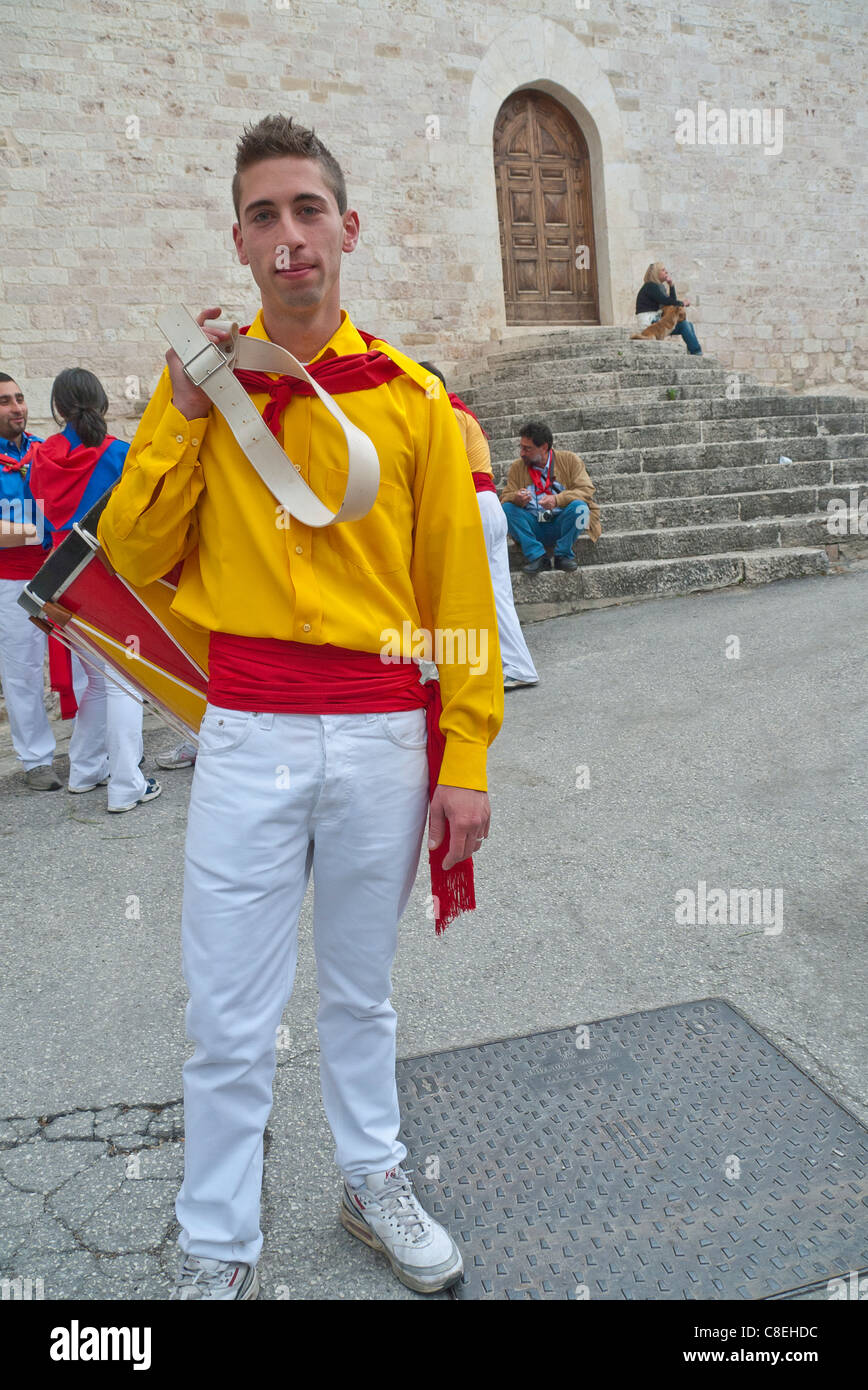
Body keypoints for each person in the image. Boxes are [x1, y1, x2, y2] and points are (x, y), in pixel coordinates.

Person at [96, 113, 502, 1300]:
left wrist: (464, 752)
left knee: (359, 992)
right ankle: (218, 1239)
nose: (290, 236)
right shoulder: (206, 398)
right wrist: (176, 404)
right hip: (253, 729)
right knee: (228, 1012)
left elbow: (458, 596)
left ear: (347, 227)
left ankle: (372, 1179)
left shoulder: (418, 403)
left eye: (307, 209)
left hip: (381, 731)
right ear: (240, 242)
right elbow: (129, 549)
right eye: (264, 216)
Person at [27, 369, 161, 813]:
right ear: (102, 403)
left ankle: (85, 770)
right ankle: (127, 784)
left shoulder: (42, 457)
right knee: (123, 682)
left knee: (101, 683)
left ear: (58, 409)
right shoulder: (121, 454)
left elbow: (44, 523)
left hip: (62, 580)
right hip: (109, 576)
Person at [419, 363, 539, 692]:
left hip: (473, 504)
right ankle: (517, 666)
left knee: (457, 591)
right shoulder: (456, 411)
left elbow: (446, 466)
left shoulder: (451, 416)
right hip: (484, 505)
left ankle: (450, 670)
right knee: (496, 593)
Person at [0, 372, 61, 788]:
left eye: (20, 397)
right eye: (5, 401)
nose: (18, 407)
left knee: (81, 666)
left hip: (58, 575)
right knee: (22, 673)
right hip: (12, 580)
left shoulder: (46, 451)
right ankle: (36, 760)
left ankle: (95, 749)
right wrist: (42, 530)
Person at [500, 421, 602, 575]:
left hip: (561, 523)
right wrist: (516, 498)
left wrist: (557, 500)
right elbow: (505, 497)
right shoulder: (517, 467)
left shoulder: (569, 460)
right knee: (506, 509)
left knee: (581, 508)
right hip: (534, 524)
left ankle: (563, 555)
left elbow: (586, 490)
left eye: (527, 449)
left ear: (544, 447)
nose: (522, 453)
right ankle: (538, 556)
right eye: (521, 447)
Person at [634, 262, 702, 354]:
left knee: (688, 325)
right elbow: (667, 301)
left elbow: (671, 304)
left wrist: (671, 286)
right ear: (656, 273)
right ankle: (696, 353)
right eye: (663, 270)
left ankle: (694, 352)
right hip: (649, 323)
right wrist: (682, 303)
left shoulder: (659, 287)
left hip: (656, 320)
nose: (666, 272)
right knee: (684, 325)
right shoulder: (650, 286)